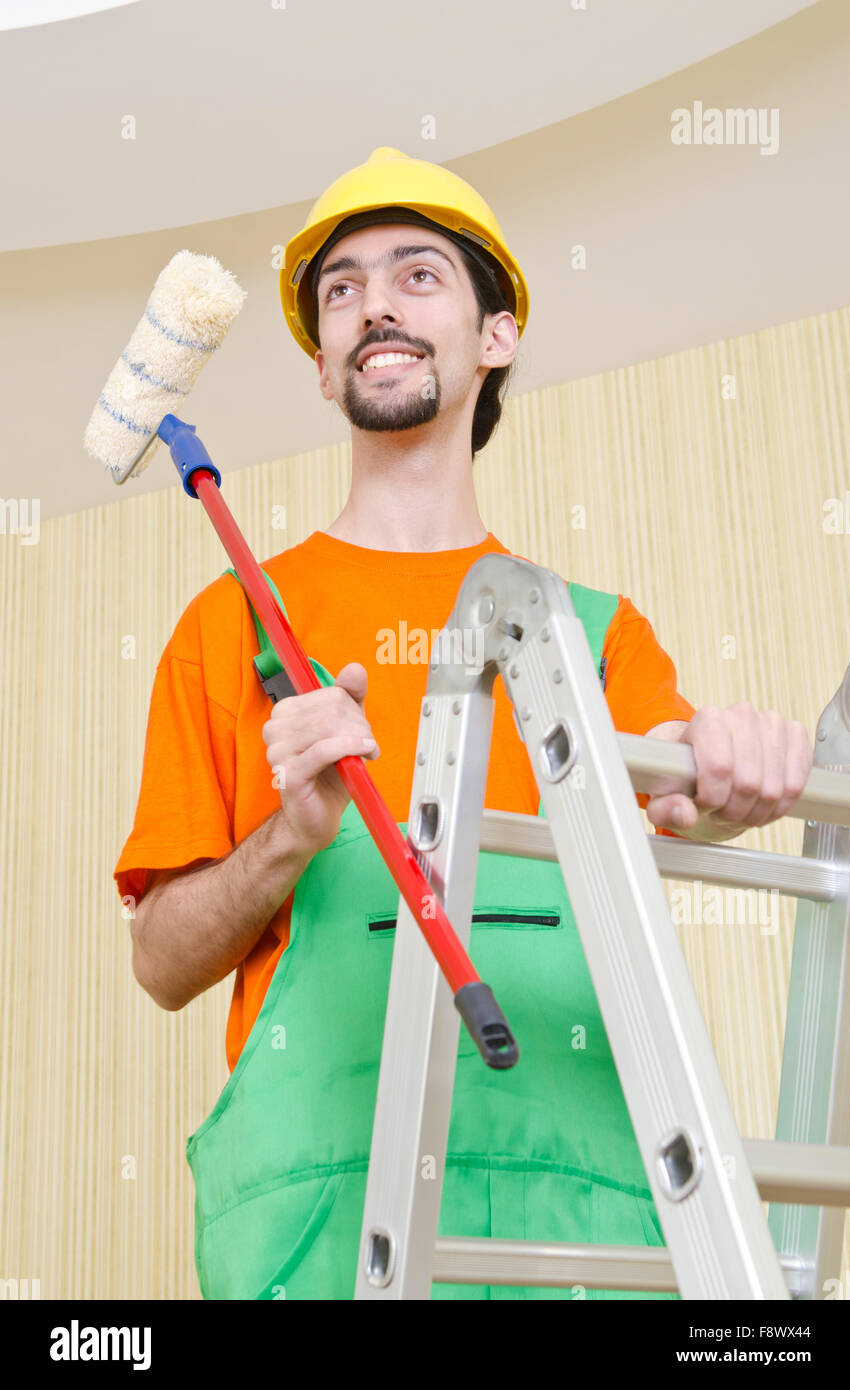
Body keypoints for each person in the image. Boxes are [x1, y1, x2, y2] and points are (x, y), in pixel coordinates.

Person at [114, 148, 813, 1301]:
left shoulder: (587, 633)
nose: (374, 304)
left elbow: (693, 795)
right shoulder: (237, 624)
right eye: (341, 290)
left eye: (418, 275)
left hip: (590, 1214)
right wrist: (292, 834)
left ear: (496, 337)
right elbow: (160, 962)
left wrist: (747, 757)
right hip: (323, 1221)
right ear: (324, 370)